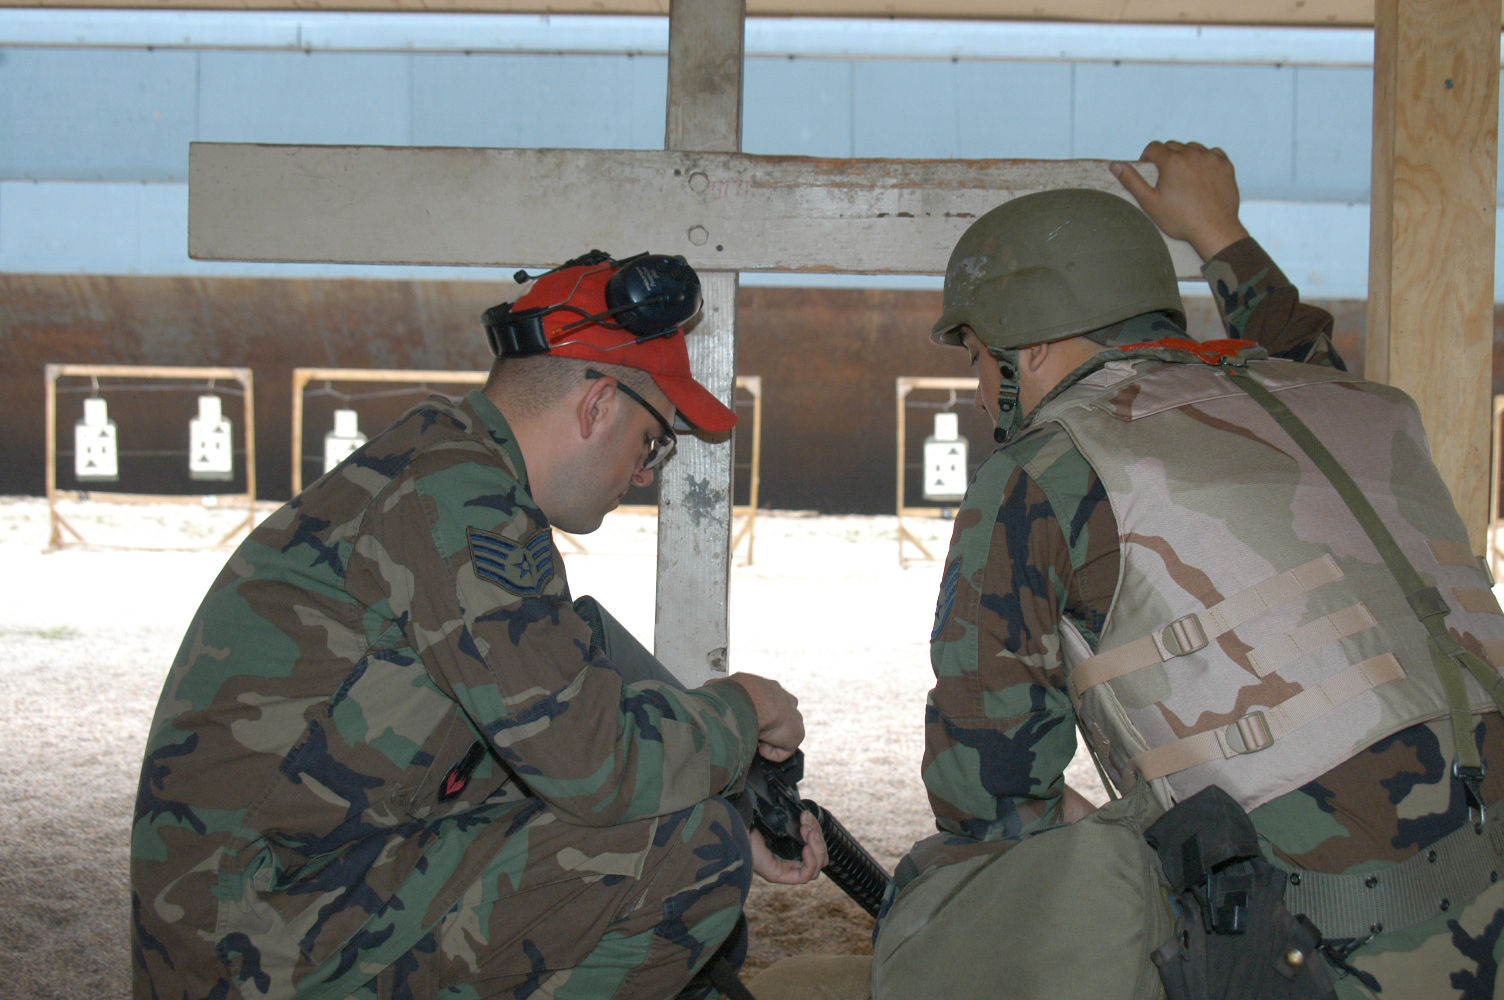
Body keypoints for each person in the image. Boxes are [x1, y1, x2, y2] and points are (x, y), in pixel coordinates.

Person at [873, 142, 1504, 998]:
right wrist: (1220, 233)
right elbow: (1299, 345)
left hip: (1322, 954)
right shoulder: (1359, 409)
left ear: (1035, 348)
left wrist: (1119, 828)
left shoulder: (1044, 472)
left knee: (943, 882)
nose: (981, 393)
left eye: (978, 358)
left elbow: (986, 797)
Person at [131, 251, 826, 1000]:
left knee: (688, 854)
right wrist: (742, 709)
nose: (644, 472)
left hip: (285, 891)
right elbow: (589, 760)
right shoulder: (459, 494)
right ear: (597, 406)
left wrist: (722, 792)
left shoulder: (447, 466)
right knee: (692, 855)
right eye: (652, 440)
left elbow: (521, 749)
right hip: (249, 937)